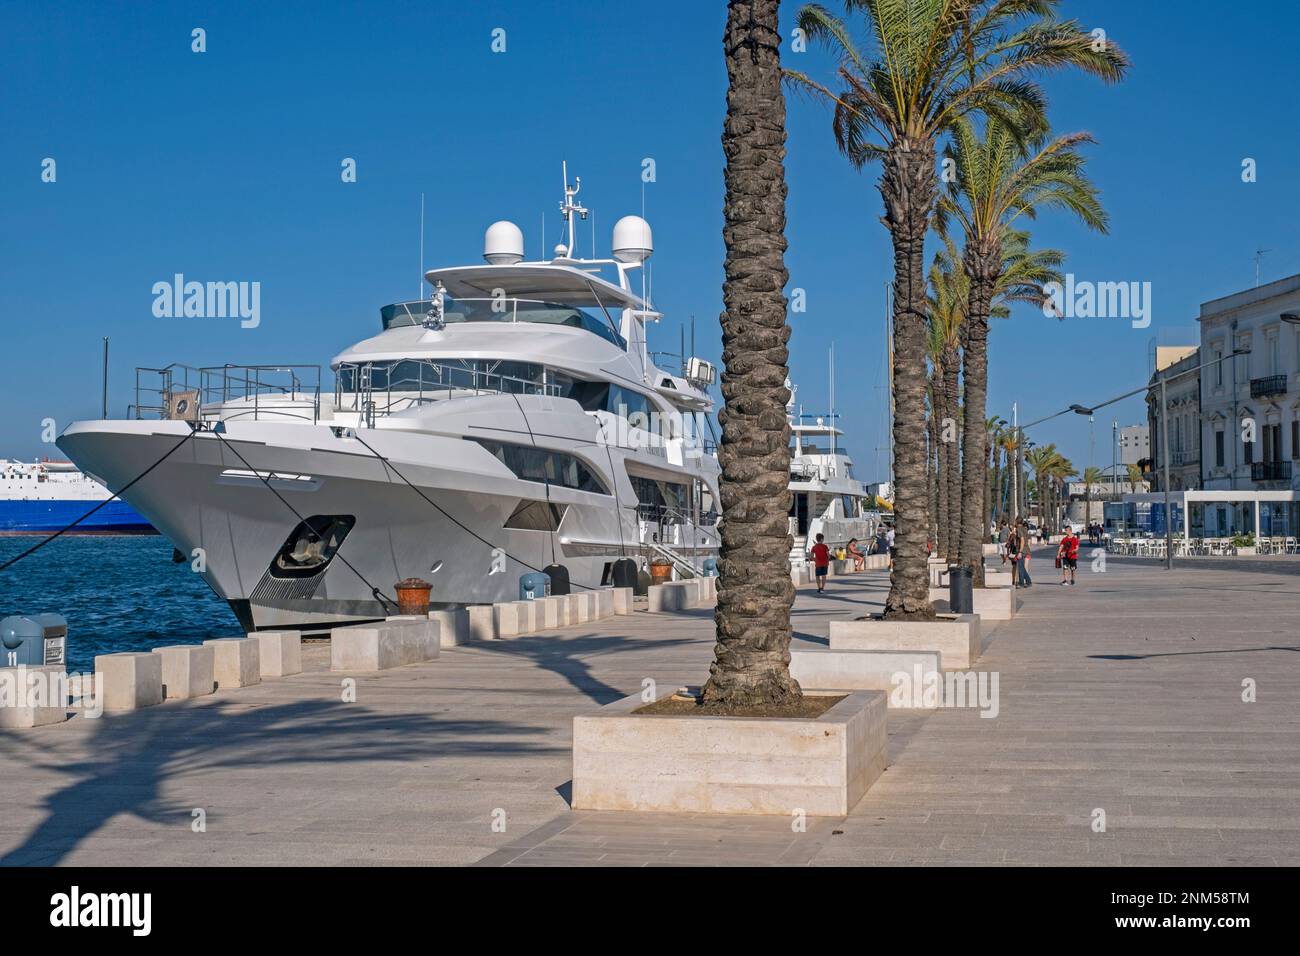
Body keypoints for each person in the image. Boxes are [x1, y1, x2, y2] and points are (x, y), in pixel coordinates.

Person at [1015, 519, 1033, 588]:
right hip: (1026, 550)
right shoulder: (1024, 529)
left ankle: (1021, 583)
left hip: (1022, 551)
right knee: (1022, 567)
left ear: (1016, 522)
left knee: (1020, 567)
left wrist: (1020, 552)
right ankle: (1028, 582)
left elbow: (1022, 540)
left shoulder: (1018, 529)